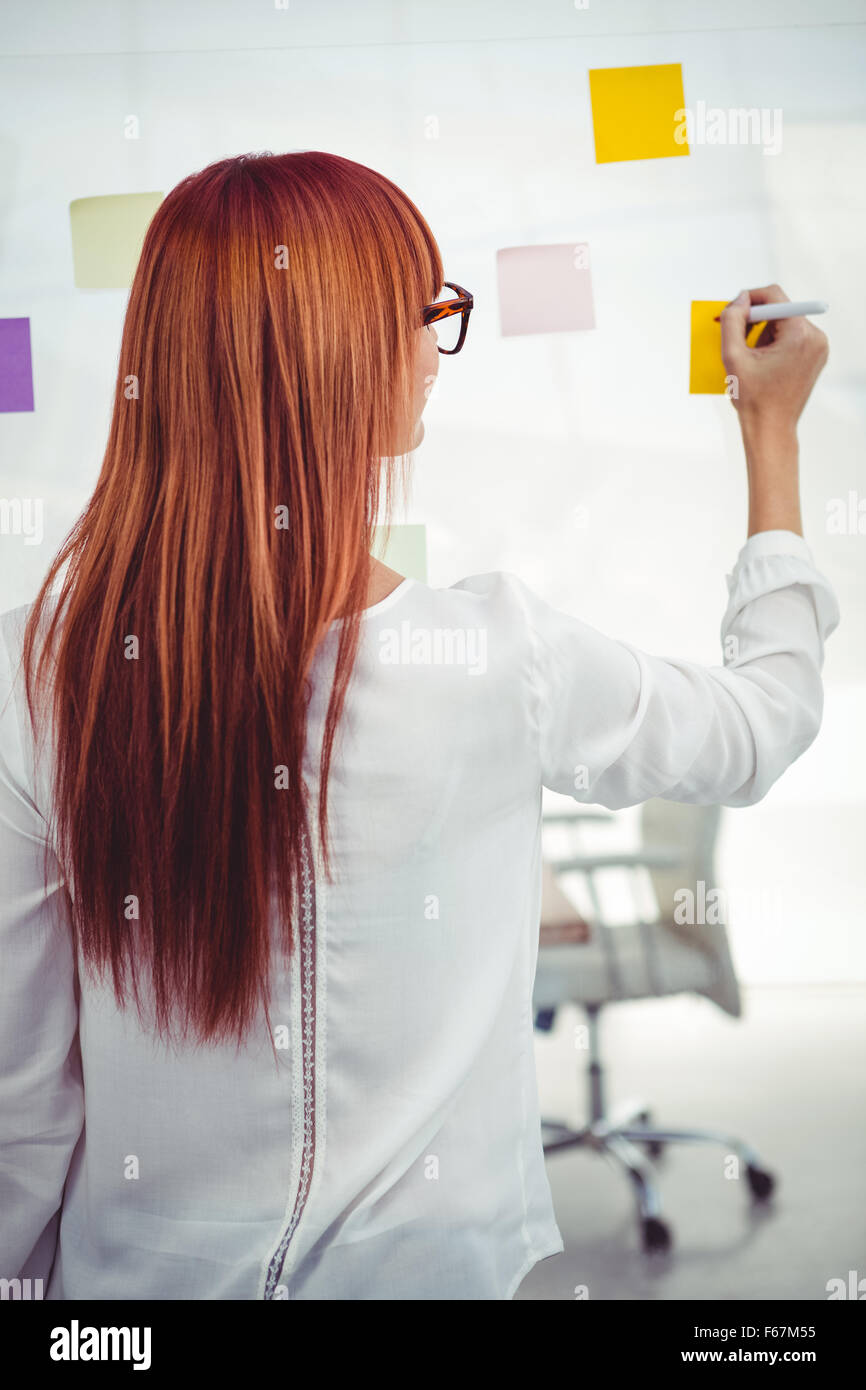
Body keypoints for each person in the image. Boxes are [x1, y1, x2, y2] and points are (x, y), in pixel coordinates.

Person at [0, 152, 839, 1301]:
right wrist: (771, 432)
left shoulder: (31, 672)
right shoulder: (498, 658)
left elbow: (20, 1112)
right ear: (342, 348)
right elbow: (762, 722)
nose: (433, 345)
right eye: (423, 309)